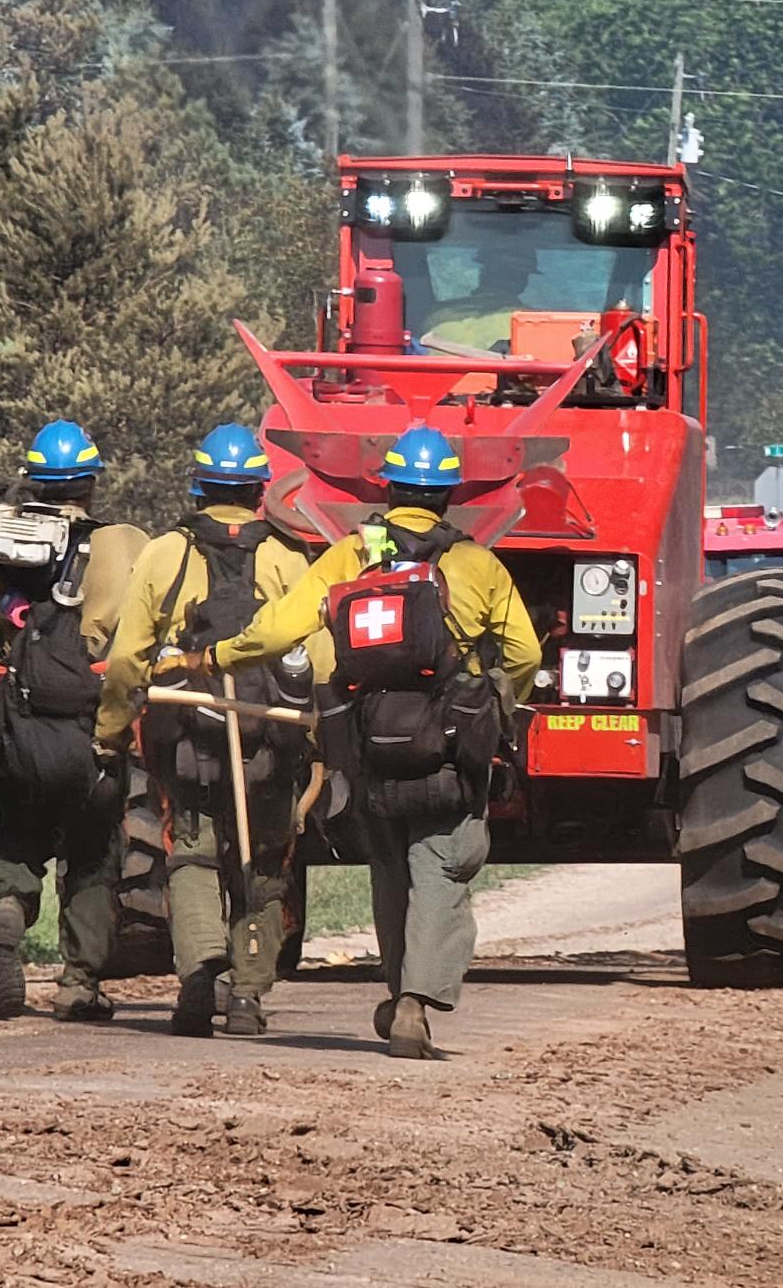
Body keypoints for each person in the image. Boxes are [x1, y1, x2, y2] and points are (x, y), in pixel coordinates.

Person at [179, 425, 541, 1060]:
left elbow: (279, 629)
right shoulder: (477, 564)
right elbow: (524, 653)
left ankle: (400, 989)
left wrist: (216, 657)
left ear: (389, 488)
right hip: (449, 746)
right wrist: (497, 708)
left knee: (390, 866)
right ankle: (414, 1004)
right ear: (449, 495)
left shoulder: (352, 554)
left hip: (369, 740)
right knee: (442, 866)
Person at [94, 424, 326, 1038]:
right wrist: (321, 737)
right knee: (262, 862)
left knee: (192, 855)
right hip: (268, 736)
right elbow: (320, 657)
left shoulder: (164, 553)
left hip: (187, 740)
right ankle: (246, 995)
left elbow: (127, 659)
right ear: (260, 491)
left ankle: (200, 972)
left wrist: (111, 732)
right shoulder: (286, 556)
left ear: (198, 487)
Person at [0, 421, 146, 1021]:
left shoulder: (2, 546)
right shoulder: (119, 546)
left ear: (34, 482)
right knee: (93, 853)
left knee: (18, 836)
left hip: (16, 729)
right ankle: (79, 985)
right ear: (90, 484)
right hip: (85, 728)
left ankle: (9, 910)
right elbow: (132, 642)